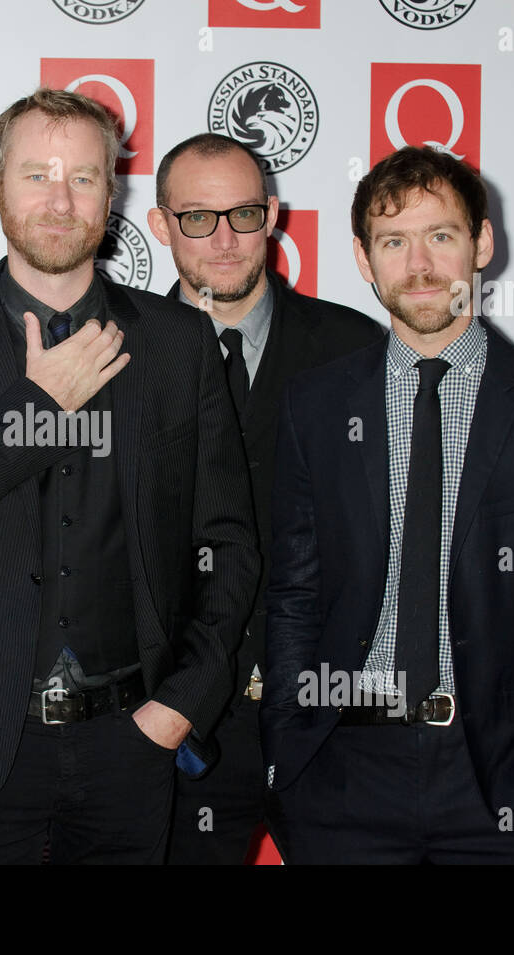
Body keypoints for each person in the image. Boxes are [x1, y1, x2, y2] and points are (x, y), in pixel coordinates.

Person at [0, 89, 261, 864]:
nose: (59, 199)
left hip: (134, 741)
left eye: (84, 177)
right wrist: (34, 408)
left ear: (111, 197)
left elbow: (229, 545)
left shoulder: (179, 343)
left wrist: (181, 705)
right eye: (36, 174)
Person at [260, 146, 514, 863]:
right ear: (364, 259)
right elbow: (295, 593)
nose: (419, 265)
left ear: (483, 242)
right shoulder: (315, 405)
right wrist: (289, 746)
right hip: (342, 769)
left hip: (504, 778)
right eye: (394, 241)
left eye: (441, 236)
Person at [146, 133, 383, 864]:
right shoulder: (116, 355)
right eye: (197, 218)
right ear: (159, 224)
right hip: (177, 732)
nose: (224, 239)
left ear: (273, 215)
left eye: (244, 214)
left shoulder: (358, 350)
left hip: (335, 729)